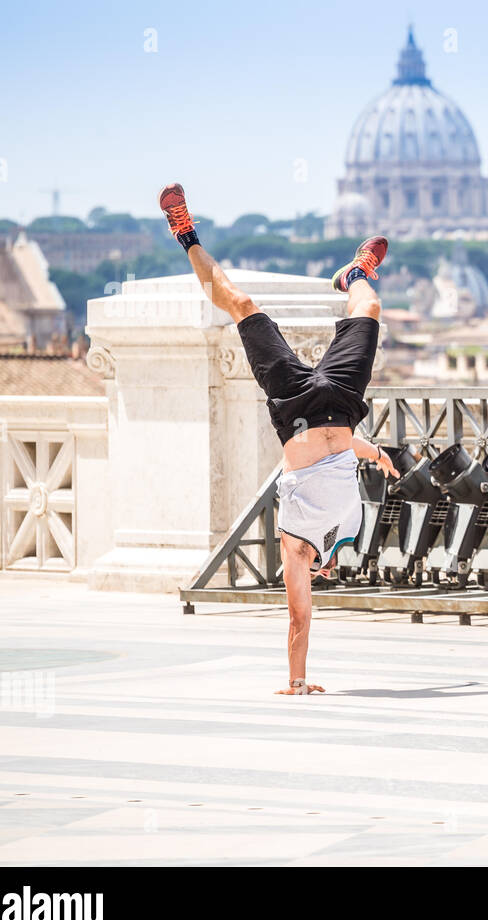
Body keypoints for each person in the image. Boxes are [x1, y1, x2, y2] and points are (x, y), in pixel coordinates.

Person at [159, 183, 399, 695]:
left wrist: (297, 681)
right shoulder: (352, 523)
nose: (324, 567)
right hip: (340, 400)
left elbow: (298, 622)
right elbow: (341, 452)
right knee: (371, 307)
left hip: (292, 404)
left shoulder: (293, 546)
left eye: (322, 569)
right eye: (327, 567)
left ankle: (186, 234)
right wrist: (376, 452)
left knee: (242, 303)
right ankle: (353, 275)